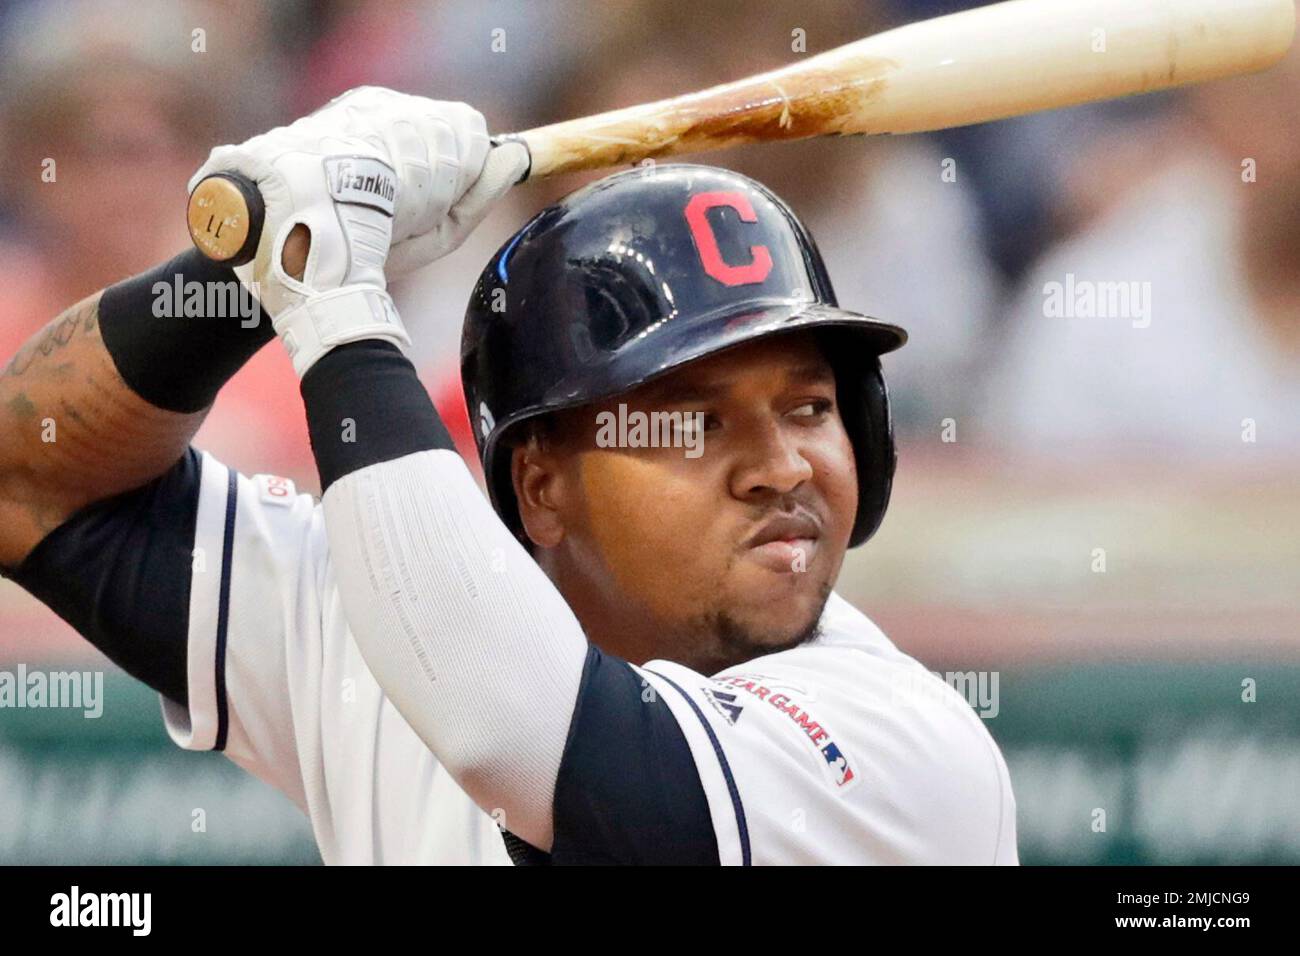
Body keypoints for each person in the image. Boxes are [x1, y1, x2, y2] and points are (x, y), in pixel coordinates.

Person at [0, 88, 1016, 864]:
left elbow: (511, 726)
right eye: (692, 421)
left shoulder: (899, 745)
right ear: (539, 487)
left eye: (808, 407)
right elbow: (32, 476)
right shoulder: (398, 624)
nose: (781, 464)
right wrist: (259, 254)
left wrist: (333, 301)